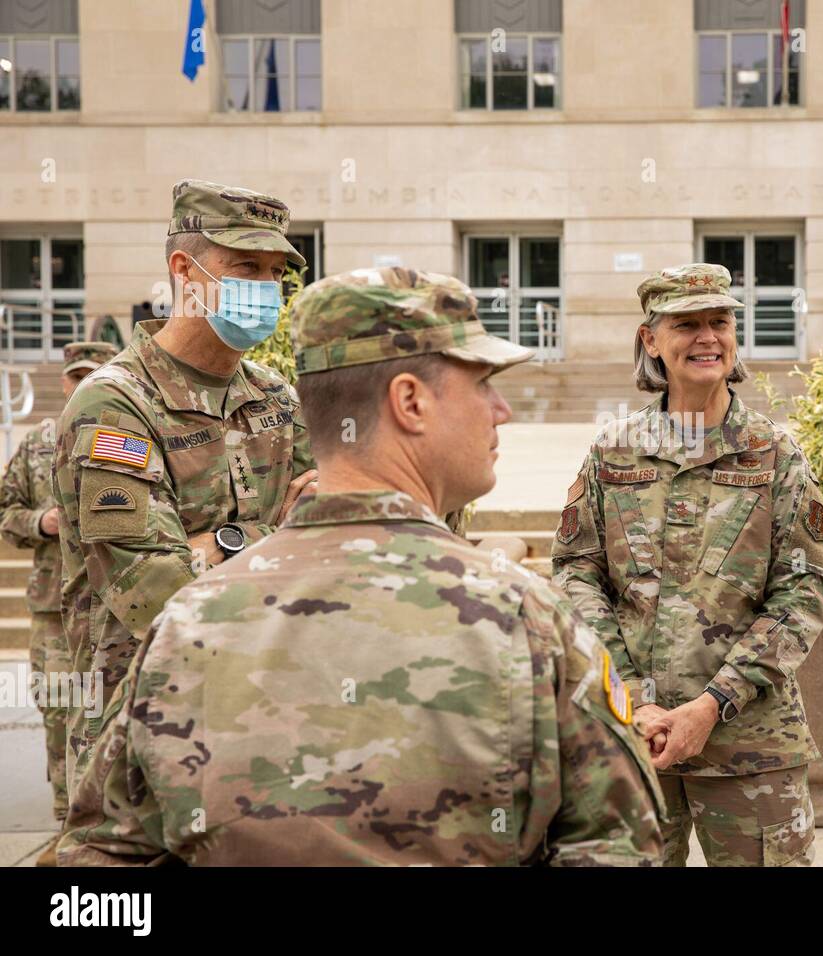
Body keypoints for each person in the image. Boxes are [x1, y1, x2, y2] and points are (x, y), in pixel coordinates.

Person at [58, 267, 665, 866]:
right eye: (482, 383)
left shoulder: (186, 627)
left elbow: (95, 863)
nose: (500, 409)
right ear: (409, 402)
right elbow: (618, 844)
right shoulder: (526, 621)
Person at [552, 263, 823, 866]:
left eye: (720, 321)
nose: (707, 337)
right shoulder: (612, 450)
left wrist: (712, 705)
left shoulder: (776, 454)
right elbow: (576, 574)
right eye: (686, 324)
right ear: (650, 339)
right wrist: (633, 698)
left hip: (749, 749)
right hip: (632, 741)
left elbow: (804, 591)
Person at [52, 180, 318, 811]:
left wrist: (221, 550)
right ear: (184, 271)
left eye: (276, 272)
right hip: (144, 733)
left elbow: (335, 545)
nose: (265, 288)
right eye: (246, 267)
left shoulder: (275, 396)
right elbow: (156, 592)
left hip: (264, 718)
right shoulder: (115, 404)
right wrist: (279, 538)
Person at [0, 341, 115, 864]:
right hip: (54, 607)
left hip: (114, 601)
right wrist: (36, 522)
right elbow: (6, 511)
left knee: (109, 710)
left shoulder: (126, 435)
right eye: (77, 376)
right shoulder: (38, 445)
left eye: (95, 374)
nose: (83, 383)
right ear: (65, 382)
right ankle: (66, 821)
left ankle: (111, 823)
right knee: (59, 711)